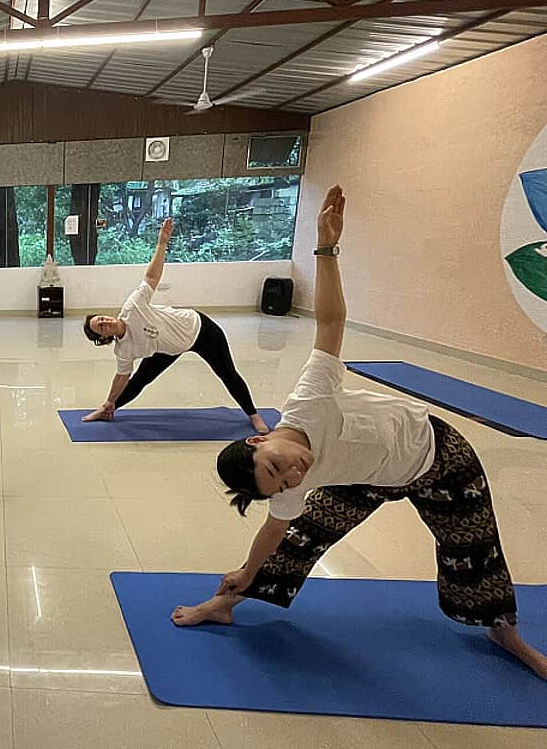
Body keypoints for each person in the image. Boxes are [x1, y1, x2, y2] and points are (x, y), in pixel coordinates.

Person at [171, 185, 547, 680]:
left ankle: (505, 633)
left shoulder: (311, 399)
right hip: (364, 480)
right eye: (283, 484)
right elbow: (273, 530)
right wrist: (244, 571)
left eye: (278, 466)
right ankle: (223, 606)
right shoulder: (288, 486)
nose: (295, 474)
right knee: (294, 542)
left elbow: (331, 321)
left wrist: (326, 249)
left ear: (259, 439)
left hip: (438, 457)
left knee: (474, 548)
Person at [82, 217, 269, 435]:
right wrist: (109, 401)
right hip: (167, 348)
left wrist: (162, 243)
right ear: (104, 337)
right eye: (101, 327)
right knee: (139, 380)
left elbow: (151, 277)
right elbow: (121, 378)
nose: (105, 322)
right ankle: (107, 409)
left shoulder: (133, 306)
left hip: (200, 330)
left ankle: (253, 415)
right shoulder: (124, 350)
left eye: (102, 318)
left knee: (227, 373)